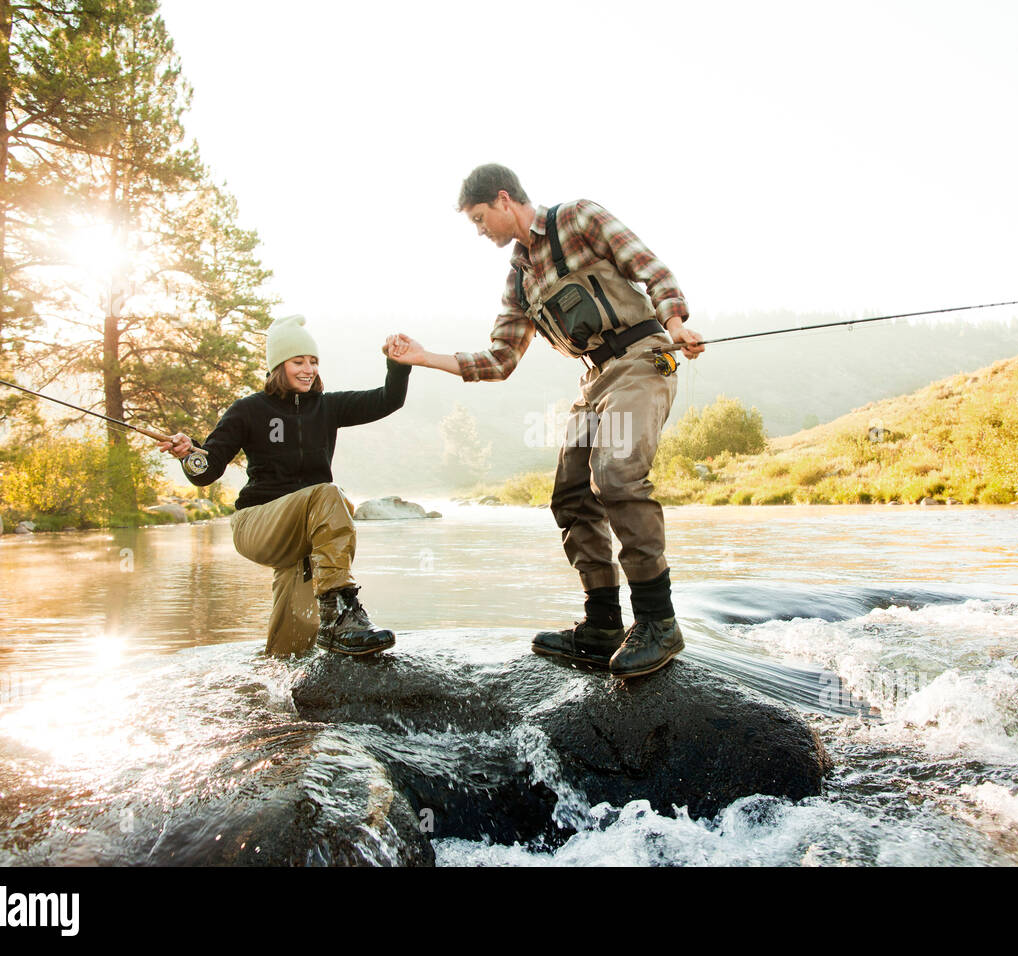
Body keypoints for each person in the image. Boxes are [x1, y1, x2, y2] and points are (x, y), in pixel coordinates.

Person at [387, 164, 704, 678]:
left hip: (643, 359)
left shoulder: (578, 218)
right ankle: (603, 624)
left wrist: (675, 324)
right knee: (572, 495)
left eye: (478, 217)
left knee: (618, 476)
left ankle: (658, 621)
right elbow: (500, 361)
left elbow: (651, 269)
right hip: (595, 380)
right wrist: (424, 358)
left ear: (504, 199)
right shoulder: (517, 279)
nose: (479, 229)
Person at [158, 314, 413, 657]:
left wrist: (397, 365)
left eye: (313, 362)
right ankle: (341, 611)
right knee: (328, 493)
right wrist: (188, 454)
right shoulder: (248, 410)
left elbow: (388, 400)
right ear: (279, 365)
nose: (308, 369)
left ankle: (284, 672)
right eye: (298, 362)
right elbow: (206, 470)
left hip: (303, 536)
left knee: (291, 648)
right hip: (258, 524)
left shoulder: (328, 406)